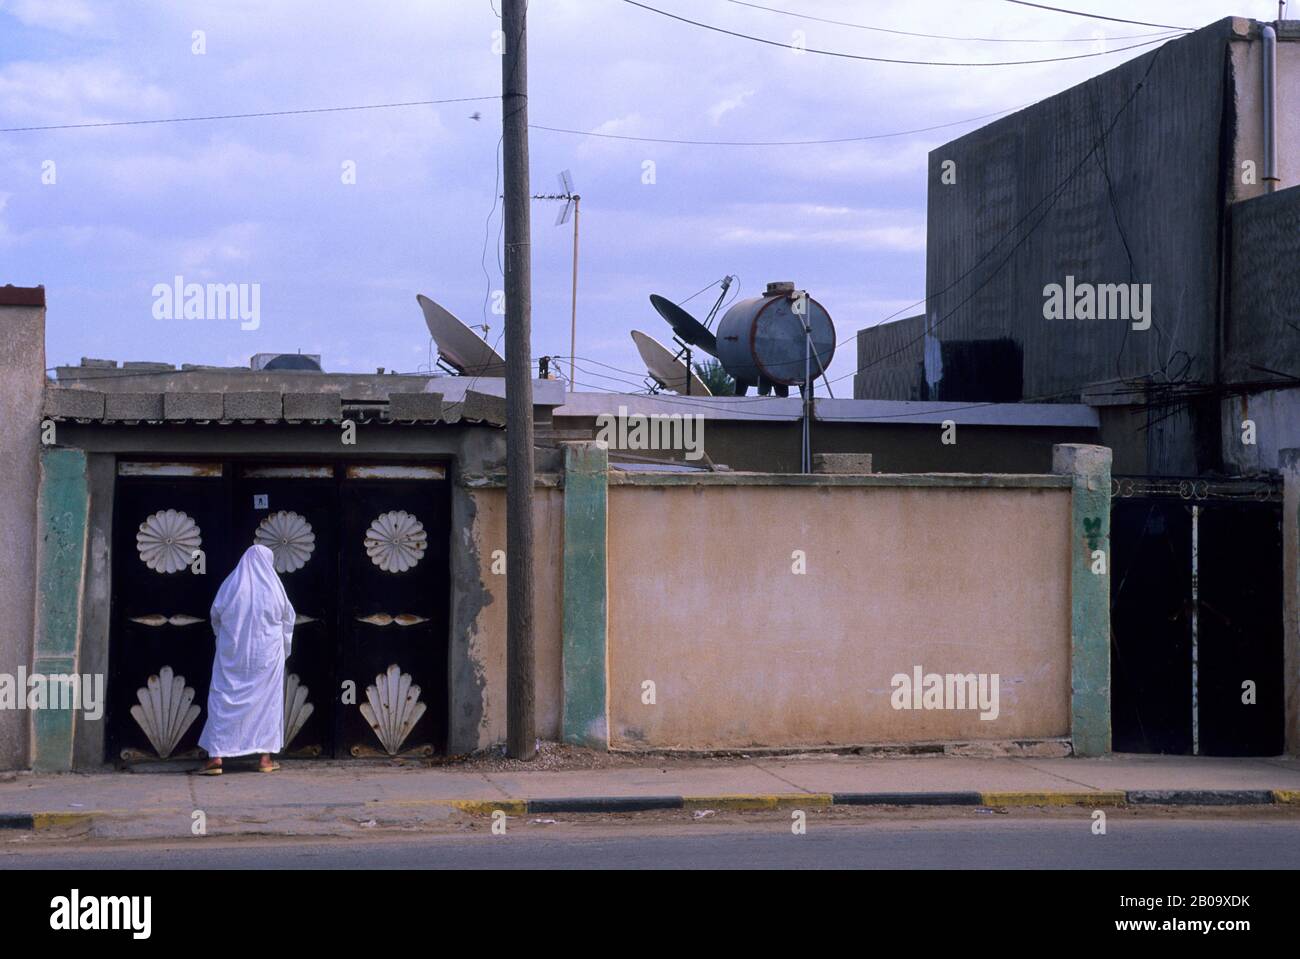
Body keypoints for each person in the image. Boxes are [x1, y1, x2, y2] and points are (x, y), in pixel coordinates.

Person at [193, 544, 294, 774]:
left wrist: (227, 640)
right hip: (266, 659)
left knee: (223, 699)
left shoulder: (231, 585)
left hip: (233, 657)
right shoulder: (275, 589)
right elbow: (288, 619)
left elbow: (216, 615)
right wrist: (283, 648)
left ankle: (216, 757)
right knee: (267, 704)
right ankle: (265, 759)